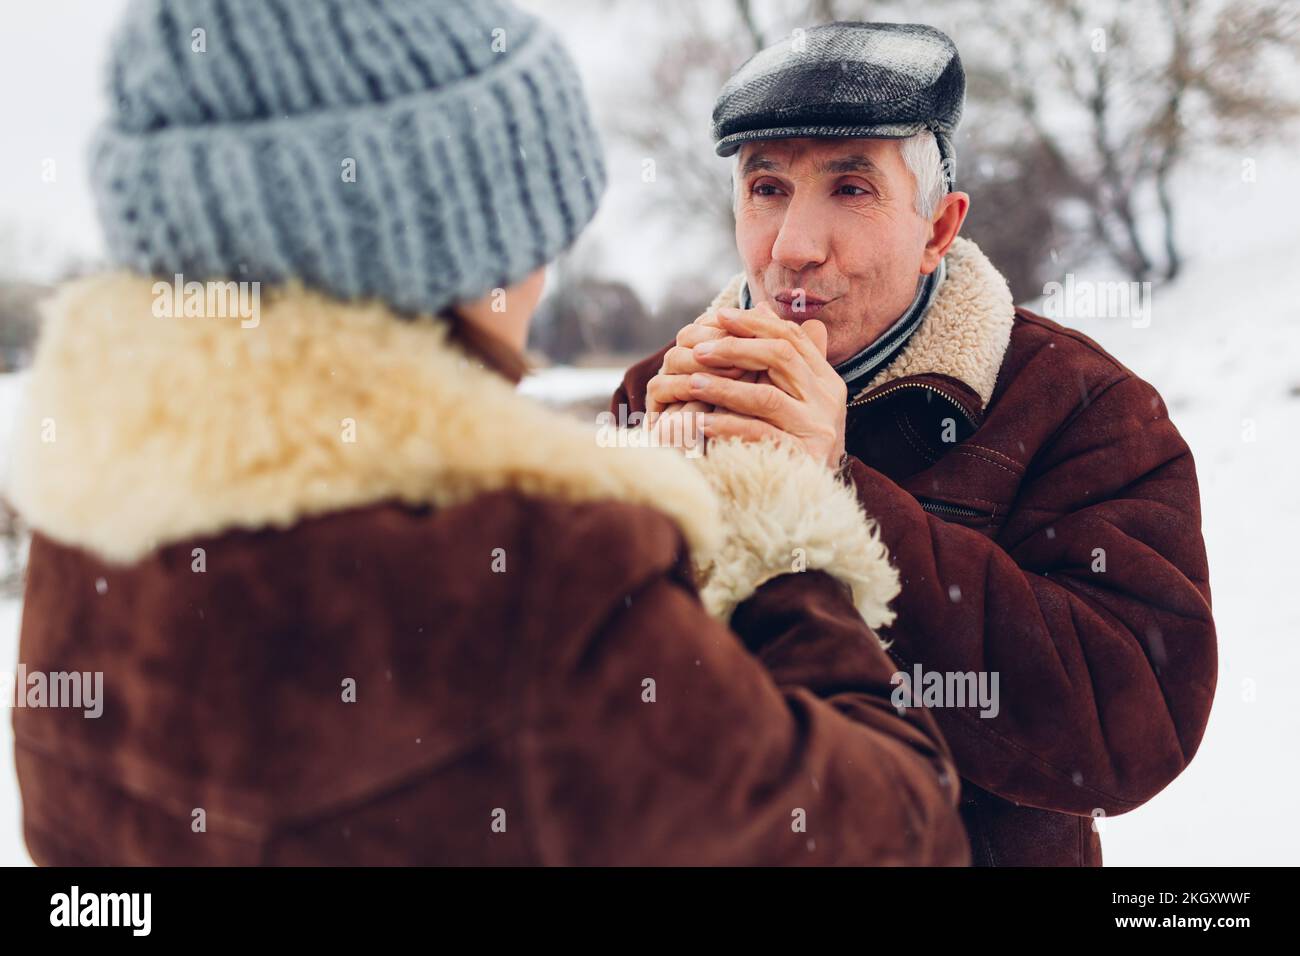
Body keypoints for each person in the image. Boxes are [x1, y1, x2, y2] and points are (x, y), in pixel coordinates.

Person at [5, 0, 967, 866]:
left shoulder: (84, 533)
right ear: (456, 250)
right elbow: (897, 832)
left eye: (852, 188)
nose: (543, 276)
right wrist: (782, 528)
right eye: (533, 234)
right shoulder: (530, 568)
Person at [614, 21, 1217, 866]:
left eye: (851, 188)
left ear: (938, 227)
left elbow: (1135, 730)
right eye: (767, 189)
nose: (792, 248)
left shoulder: (1082, 407)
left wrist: (839, 489)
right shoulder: (657, 395)